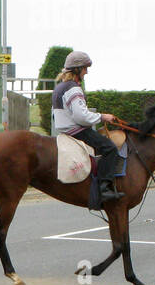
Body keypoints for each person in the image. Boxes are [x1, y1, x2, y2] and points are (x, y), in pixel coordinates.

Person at [51, 50, 123, 203]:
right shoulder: (73, 88)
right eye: (85, 68)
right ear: (77, 69)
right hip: (78, 131)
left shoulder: (60, 87)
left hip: (65, 131)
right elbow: (81, 117)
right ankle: (105, 189)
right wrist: (103, 117)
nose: (86, 72)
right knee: (109, 148)